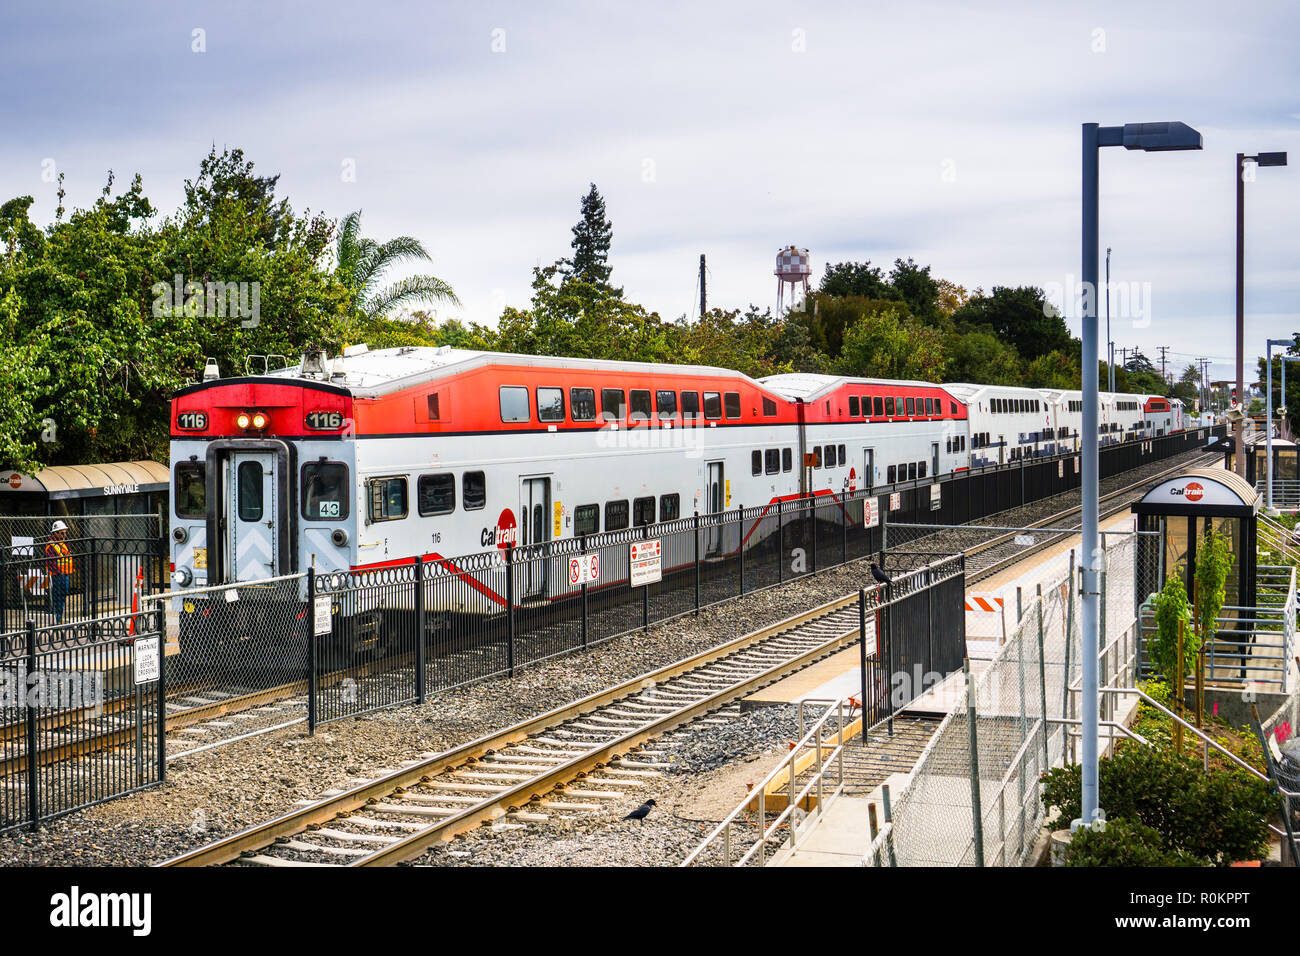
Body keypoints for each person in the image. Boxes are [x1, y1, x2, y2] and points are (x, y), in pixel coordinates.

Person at [44, 520, 74, 623]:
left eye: (65, 533)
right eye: (62, 533)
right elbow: (51, 562)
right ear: (55, 533)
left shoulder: (63, 543)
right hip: (57, 575)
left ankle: (58, 617)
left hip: (64, 573)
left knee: (63, 595)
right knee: (58, 596)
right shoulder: (51, 546)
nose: (64, 535)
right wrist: (58, 572)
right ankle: (57, 618)